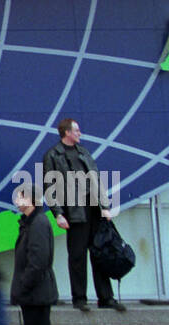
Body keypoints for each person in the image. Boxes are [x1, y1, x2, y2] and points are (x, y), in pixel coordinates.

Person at [42, 118, 123, 311]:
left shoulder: (84, 152)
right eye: (76, 130)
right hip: (74, 211)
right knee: (77, 256)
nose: (79, 133)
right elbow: (49, 187)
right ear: (67, 133)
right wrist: (58, 214)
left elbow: (96, 179)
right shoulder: (53, 155)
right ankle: (79, 298)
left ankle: (106, 297)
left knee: (99, 253)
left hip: (93, 209)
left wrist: (105, 206)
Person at [11, 181, 59, 325]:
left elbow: (38, 261)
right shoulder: (30, 223)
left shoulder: (38, 223)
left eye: (21, 196)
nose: (17, 200)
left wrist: (24, 286)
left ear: (32, 199)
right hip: (34, 294)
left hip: (36, 295)